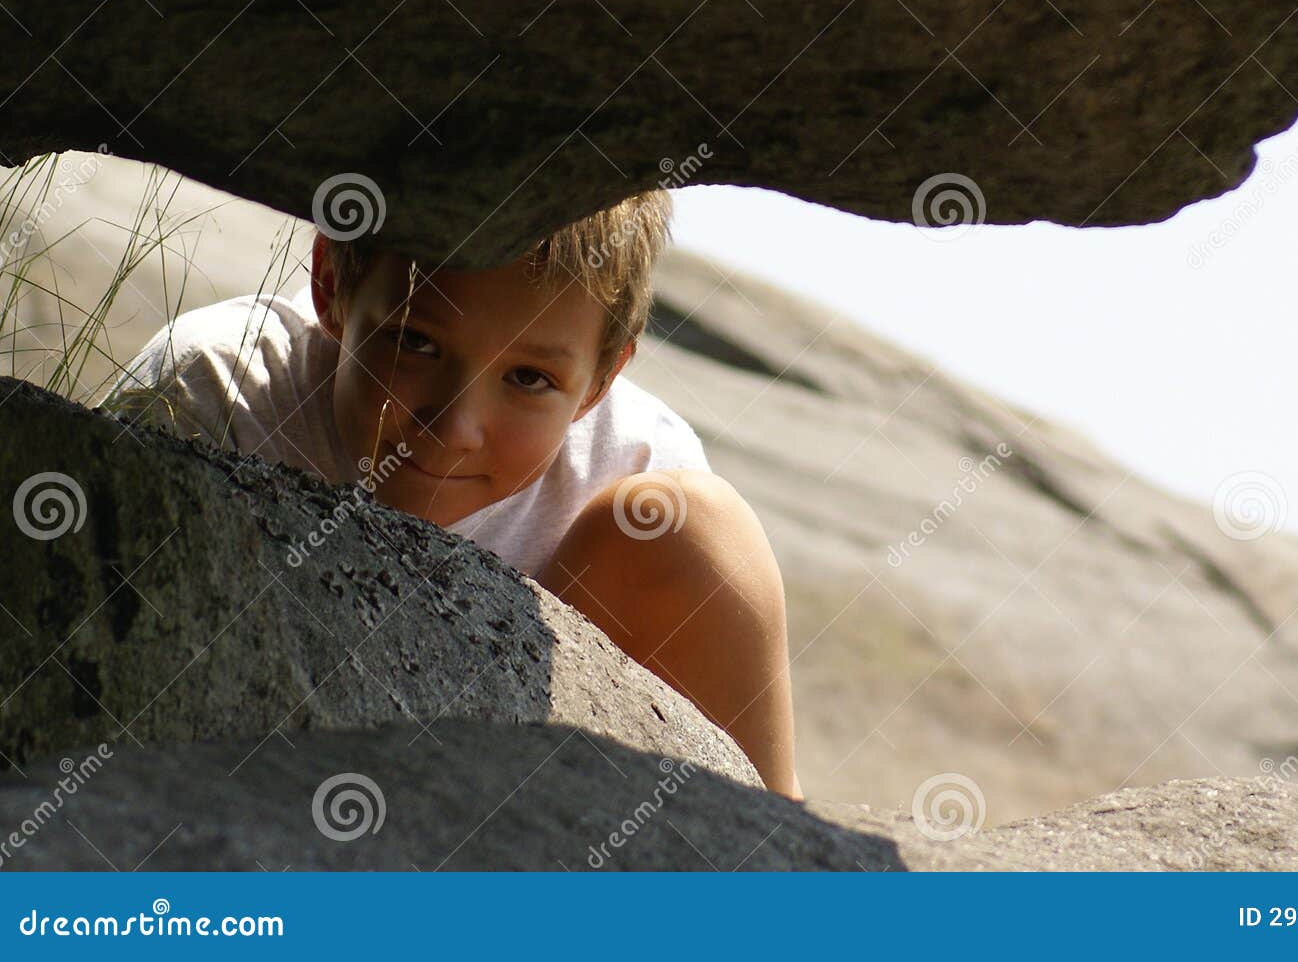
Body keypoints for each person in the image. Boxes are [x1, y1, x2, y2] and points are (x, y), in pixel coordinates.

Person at [98, 189, 802, 799]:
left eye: (528, 380)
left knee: (697, 527)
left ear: (599, 381)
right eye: (415, 342)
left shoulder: (637, 472)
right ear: (330, 285)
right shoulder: (220, 398)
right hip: (241, 816)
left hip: (508, 846)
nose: (455, 428)